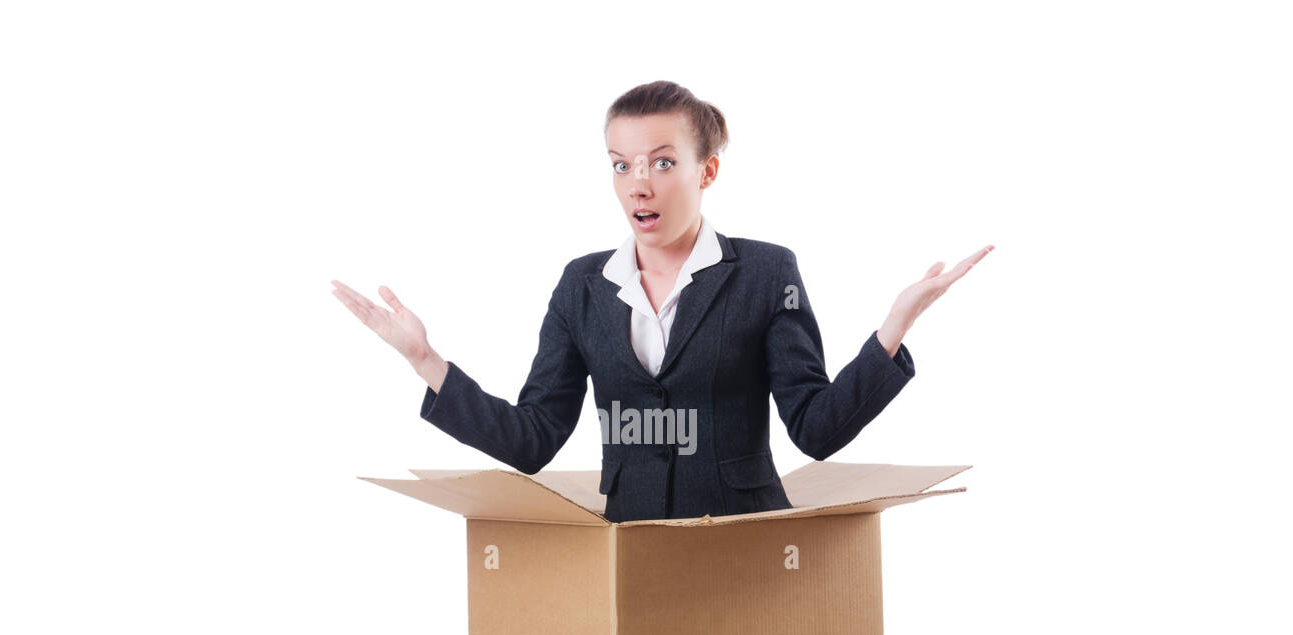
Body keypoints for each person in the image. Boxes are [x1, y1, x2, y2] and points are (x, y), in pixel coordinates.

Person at [332, 80, 993, 523]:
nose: (638, 184)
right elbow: (534, 439)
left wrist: (892, 332)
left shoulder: (766, 272)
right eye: (621, 164)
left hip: (746, 541)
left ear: (707, 171)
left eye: (661, 162)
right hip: (631, 543)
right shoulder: (581, 285)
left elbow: (815, 429)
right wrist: (425, 360)